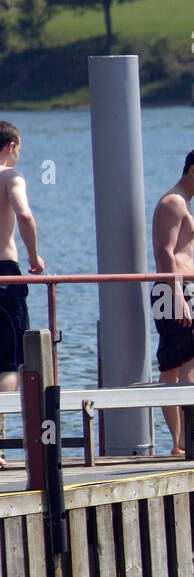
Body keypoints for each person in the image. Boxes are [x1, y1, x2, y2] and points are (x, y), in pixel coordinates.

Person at [151, 146, 194, 455]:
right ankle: (186, 437)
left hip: (181, 287)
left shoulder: (183, 203)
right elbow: (165, 251)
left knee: (177, 363)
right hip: (175, 288)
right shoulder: (174, 202)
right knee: (188, 361)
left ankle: (181, 440)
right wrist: (179, 294)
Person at [0, 121, 45, 468]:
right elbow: (24, 214)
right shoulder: (10, 177)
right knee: (10, 359)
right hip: (4, 274)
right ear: (12, 146)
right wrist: (33, 256)